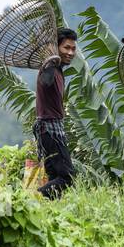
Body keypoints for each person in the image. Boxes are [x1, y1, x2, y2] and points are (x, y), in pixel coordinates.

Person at [33, 27, 78, 199]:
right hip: (49, 129)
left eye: (73, 48)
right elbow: (45, 81)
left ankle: (47, 213)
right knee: (67, 177)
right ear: (56, 48)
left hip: (50, 129)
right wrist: (50, 61)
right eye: (66, 47)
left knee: (54, 177)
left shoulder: (58, 70)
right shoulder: (50, 67)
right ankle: (29, 201)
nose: (71, 52)